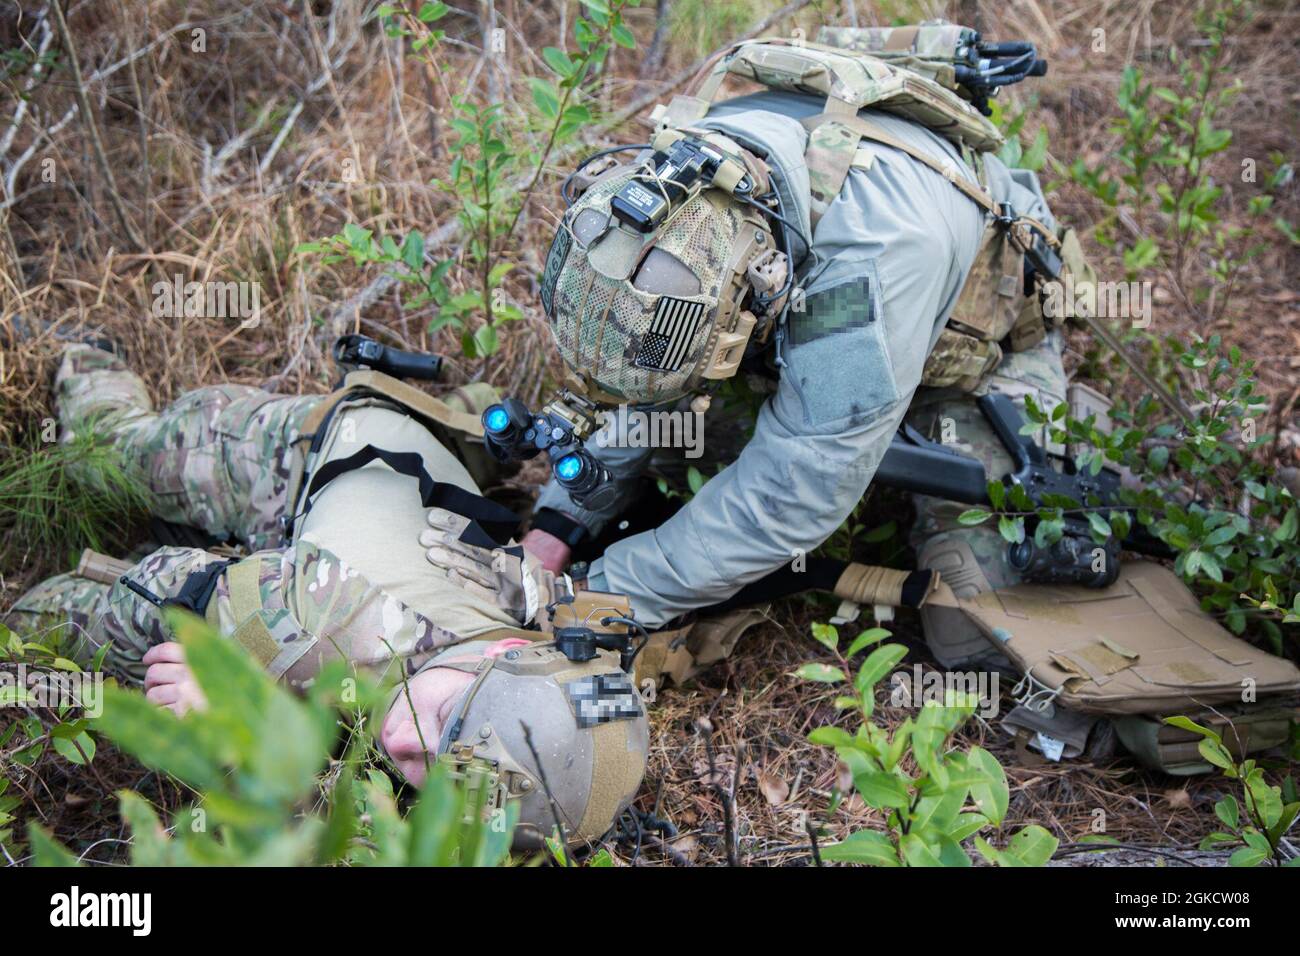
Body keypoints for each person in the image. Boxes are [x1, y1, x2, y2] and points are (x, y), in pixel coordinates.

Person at [4, 340, 649, 844]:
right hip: (320, 453)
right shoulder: (322, 625)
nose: (406, 745)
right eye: (445, 718)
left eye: (448, 775)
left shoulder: (559, 660)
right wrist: (224, 679)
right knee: (103, 471)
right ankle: (90, 361)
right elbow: (161, 584)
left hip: (409, 502)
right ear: (497, 651)